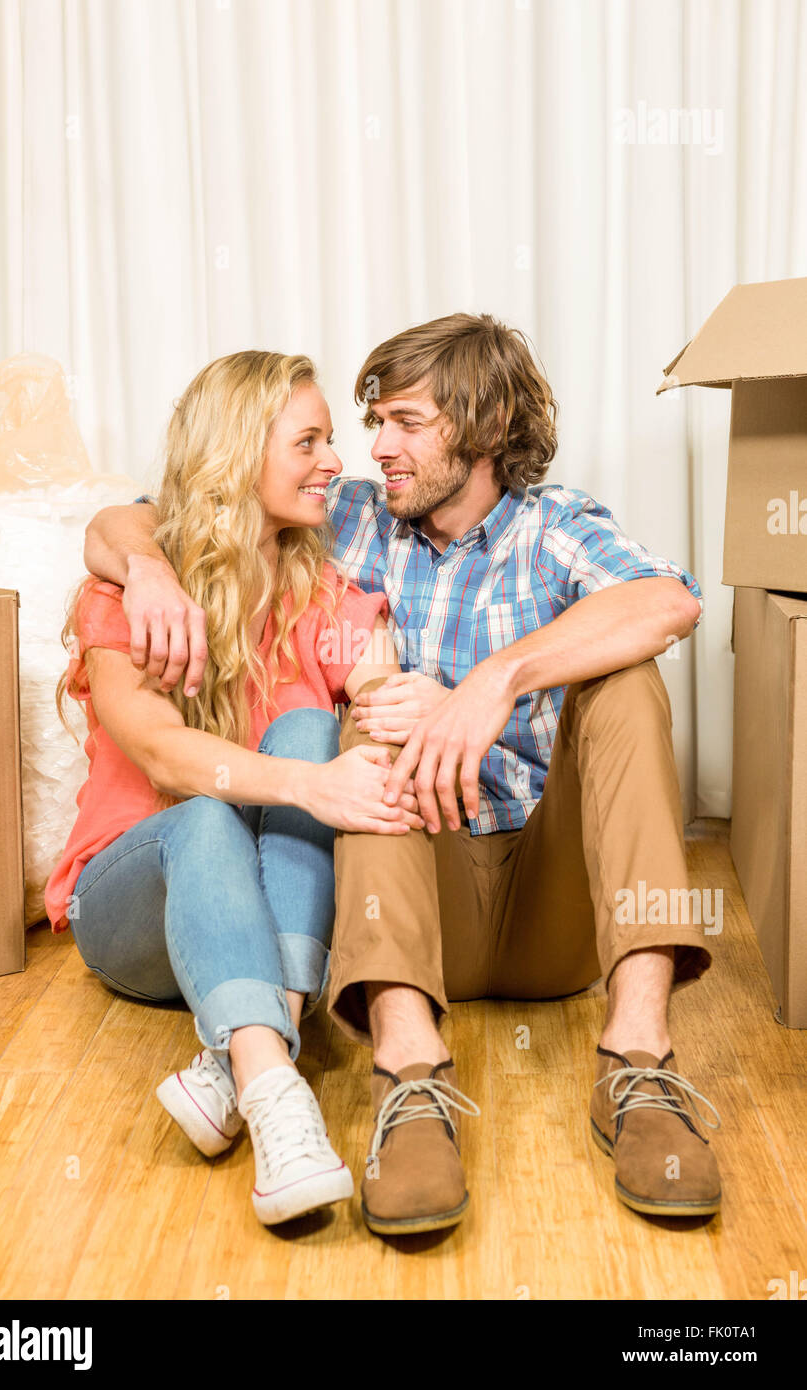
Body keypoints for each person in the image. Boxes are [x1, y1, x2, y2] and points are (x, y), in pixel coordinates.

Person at [82, 312, 722, 1239]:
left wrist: (491, 685)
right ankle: (408, 1075)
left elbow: (670, 600)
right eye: (366, 423)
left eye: (404, 424)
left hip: (555, 904)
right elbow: (163, 509)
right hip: (424, 906)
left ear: (488, 423)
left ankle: (639, 1057)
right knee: (361, 713)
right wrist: (144, 566)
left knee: (626, 680)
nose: (370, 450)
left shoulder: (555, 528)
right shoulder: (345, 515)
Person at [45, 349, 426, 1228]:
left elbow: (374, 687)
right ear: (237, 452)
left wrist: (410, 700)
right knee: (208, 809)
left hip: (247, 926)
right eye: (309, 442)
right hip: (133, 904)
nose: (337, 462)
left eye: (333, 440)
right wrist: (315, 787)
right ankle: (278, 1096)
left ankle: (252, 1063)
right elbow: (167, 758)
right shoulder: (131, 591)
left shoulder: (317, 591)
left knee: (310, 729)